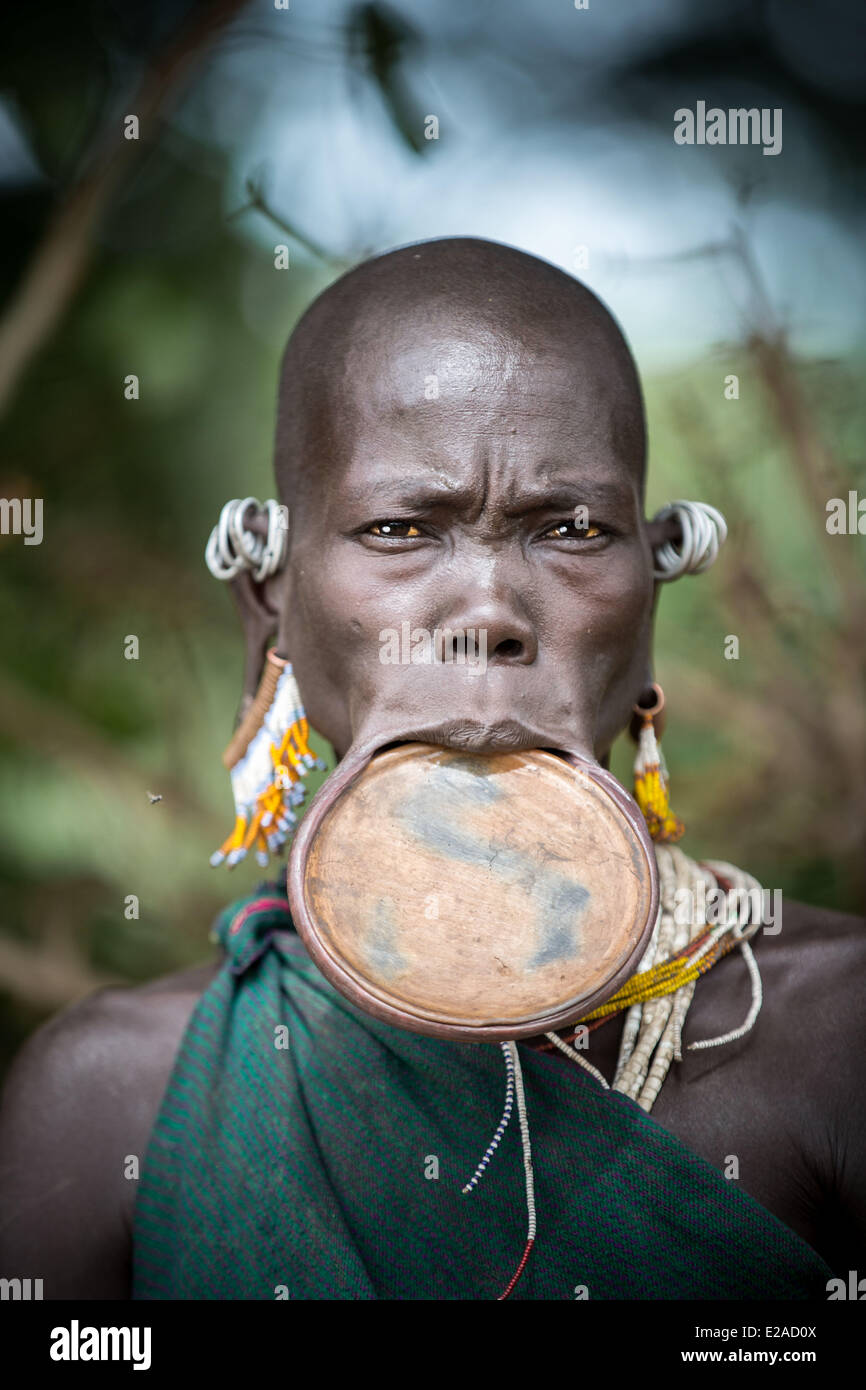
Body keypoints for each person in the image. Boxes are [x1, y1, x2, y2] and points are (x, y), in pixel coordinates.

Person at [1, 237, 863, 1300]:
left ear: (649, 593)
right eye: (399, 527)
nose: (489, 614)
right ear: (269, 598)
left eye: (571, 529)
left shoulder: (837, 1042)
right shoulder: (111, 1101)